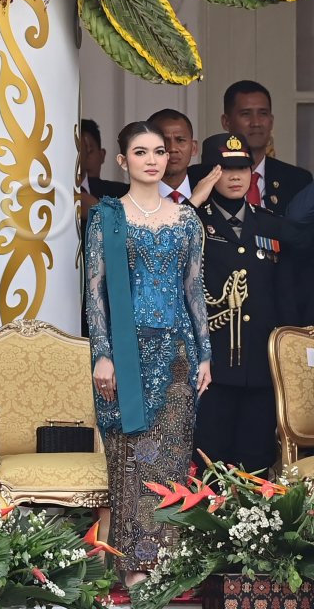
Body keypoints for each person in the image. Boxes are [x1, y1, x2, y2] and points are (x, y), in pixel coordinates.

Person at [85, 121, 212, 587]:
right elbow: (95, 292)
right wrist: (103, 353)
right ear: (123, 161)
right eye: (141, 152)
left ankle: (167, 565)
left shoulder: (185, 219)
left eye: (159, 151)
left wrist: (205, 355)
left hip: (178, 351)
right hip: (125, 350)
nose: (153, 159)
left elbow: (194, 291)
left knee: (171, 460)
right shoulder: (107, 217)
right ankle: (133, 567)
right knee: (133, 458)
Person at [188, 133, 293, 475]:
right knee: (207, 463)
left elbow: (287, 293)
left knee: (257, 462)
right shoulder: (192, 223)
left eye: (242, 167)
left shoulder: (272, 224)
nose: (235, 176)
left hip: (261, 367)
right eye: (225, 168)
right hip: (211, 368)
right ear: (209, 173)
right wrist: (193, 202)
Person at [207, 80, 312, 214]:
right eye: (246, 114)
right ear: (226, 122)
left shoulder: (298, 181)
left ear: (271, 121)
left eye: (263, 113)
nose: (256, 123)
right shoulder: (205, 179)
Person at [146, 109, 198, 203]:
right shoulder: (129, 201)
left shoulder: (211, 196)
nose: (173, 149)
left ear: (193, 148)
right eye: (164, 141)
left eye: (180, 140)